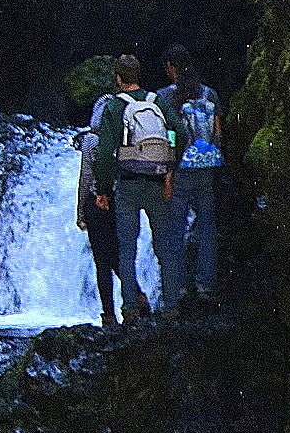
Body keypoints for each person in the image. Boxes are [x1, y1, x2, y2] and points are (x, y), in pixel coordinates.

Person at [93, 54, 183, 322]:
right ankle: (171, 308)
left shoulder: (114, 107)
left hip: (128, 185)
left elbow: (105, 152)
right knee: (165, 249)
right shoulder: (157, 101)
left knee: (127, 249)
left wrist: (103, 191)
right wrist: (169, 167)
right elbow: (179, 131)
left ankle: (130, 309)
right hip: (158, 183)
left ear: (118, 78)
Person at [159, 44, 223, 309]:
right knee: (207, 229)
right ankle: (205, 285)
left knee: (175, 230)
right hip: (206, 168)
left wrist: (167, 177)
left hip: (181, 170)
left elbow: (169, 139)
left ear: (172, 69)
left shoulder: (164, 97)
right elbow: (219, 133)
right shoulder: (209, 94)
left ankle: (177, 289)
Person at [74, 92, 119, 328]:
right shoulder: (123, 137)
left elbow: (85, 178)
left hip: (96, 203)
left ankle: (108, 315)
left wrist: (80, 212)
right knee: (121, 256)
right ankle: (137, 301)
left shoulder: (91, 140)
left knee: (102, 261)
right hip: (121, 200)